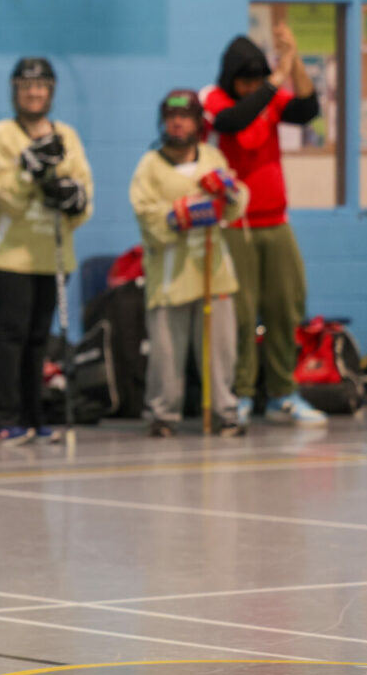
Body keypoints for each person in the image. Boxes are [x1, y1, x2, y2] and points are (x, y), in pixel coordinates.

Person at [200, 22, 325, 426]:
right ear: (231, 79)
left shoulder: (268, 96)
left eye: (258, 80)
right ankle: (240, 393)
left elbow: (308, 109)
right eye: (246, 81)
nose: (253, 87)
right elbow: (234, 122)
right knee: (241, 311)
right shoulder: (213, 98)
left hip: (276, 221)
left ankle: (282, 393)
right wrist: (273, 81)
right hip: (236, 226)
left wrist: (296, 60)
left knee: (286, 304)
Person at [0, 57, 93, 445]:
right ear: (15, 91)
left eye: (41, 86)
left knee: (39, 338)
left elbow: (84, 194)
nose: (34, 92)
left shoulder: (67, 137)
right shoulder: (1, 134)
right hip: (5, 257)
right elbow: (3, 194)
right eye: (27, 86)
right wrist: (27, 170)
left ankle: (32, 414)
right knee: (12, 334)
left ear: (51, 91)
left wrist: (73, 199)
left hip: (52, 256)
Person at [129, 90, 249, 437]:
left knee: (219, 351)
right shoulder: (150, 165)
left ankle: (225, 411)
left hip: (213, 270)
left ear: (198, 123)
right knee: (167, 352)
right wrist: (178, 215)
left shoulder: (213, 157)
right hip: (170, 275)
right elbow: (146, 213)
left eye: (185, 117)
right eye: (171, 117)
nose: (178, 123)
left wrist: (229, 193)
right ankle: (163, 413)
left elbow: (235, 205)